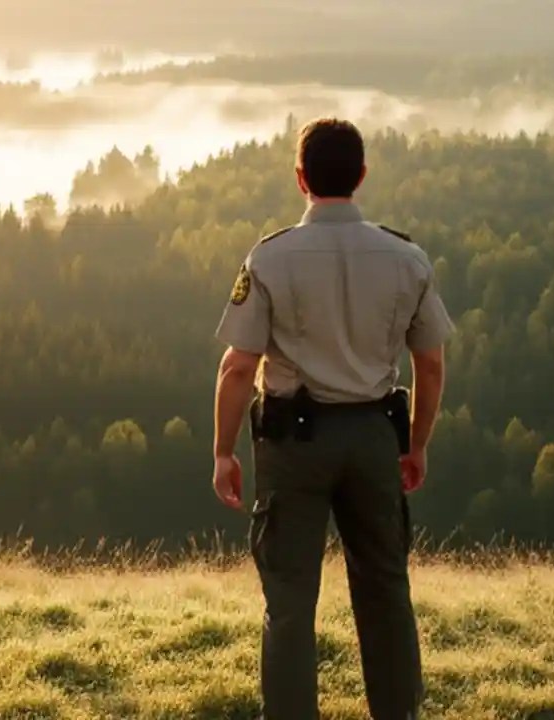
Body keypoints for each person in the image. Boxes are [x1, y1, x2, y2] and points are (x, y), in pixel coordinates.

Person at [211, 118, 455, 719]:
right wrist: (417, 443)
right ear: (362, 176)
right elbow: (430, 362)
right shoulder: (407, 258)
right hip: (375, 436)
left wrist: (223, 451)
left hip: (293, 445)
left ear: (301, 178)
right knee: (385, 590)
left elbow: (239, 367)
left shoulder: (270, 258)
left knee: (290, 599)